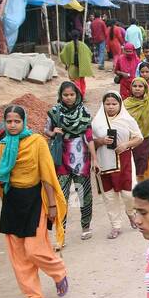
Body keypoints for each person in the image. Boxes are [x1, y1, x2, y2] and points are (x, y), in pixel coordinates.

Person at [0, 105, 69, 298]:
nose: (12, 125)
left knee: (34, 249)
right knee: (17, 253)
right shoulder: (3, 144)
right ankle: (34, 295)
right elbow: (2, 174)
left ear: (23, 121)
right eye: (9, 121)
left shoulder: (37, 142)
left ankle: (58, 272)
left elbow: (47, 174)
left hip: (34, 199)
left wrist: (53, 205)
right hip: (12, 201)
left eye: (16, 121)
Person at [45, 82, 95, 243]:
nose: (69, 98)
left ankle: (86, 227)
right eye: (65, 95)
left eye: (72, 94)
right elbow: (46, 130)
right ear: (60, 95)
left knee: (84, 194)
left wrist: (94, 158)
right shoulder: (55, 112)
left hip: (81, 158)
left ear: (77, 95)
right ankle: (61, 232)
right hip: (61, 159)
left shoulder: (84, 112)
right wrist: (53, 133)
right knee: (62, 196)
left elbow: (89, 136)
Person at [91, 92, 143, 240]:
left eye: (114, 104)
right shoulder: (96, 122)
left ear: (120, 104)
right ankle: (116, 226)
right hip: (104, 163)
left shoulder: (127, 119)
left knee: (128, 194)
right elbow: (90, 142)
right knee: (109, 197)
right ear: (103, 104)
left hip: (124, 160)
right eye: (108, 104)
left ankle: (131, 212)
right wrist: (101, 141)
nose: (111, 107)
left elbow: (139, 137)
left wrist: (126, 144)